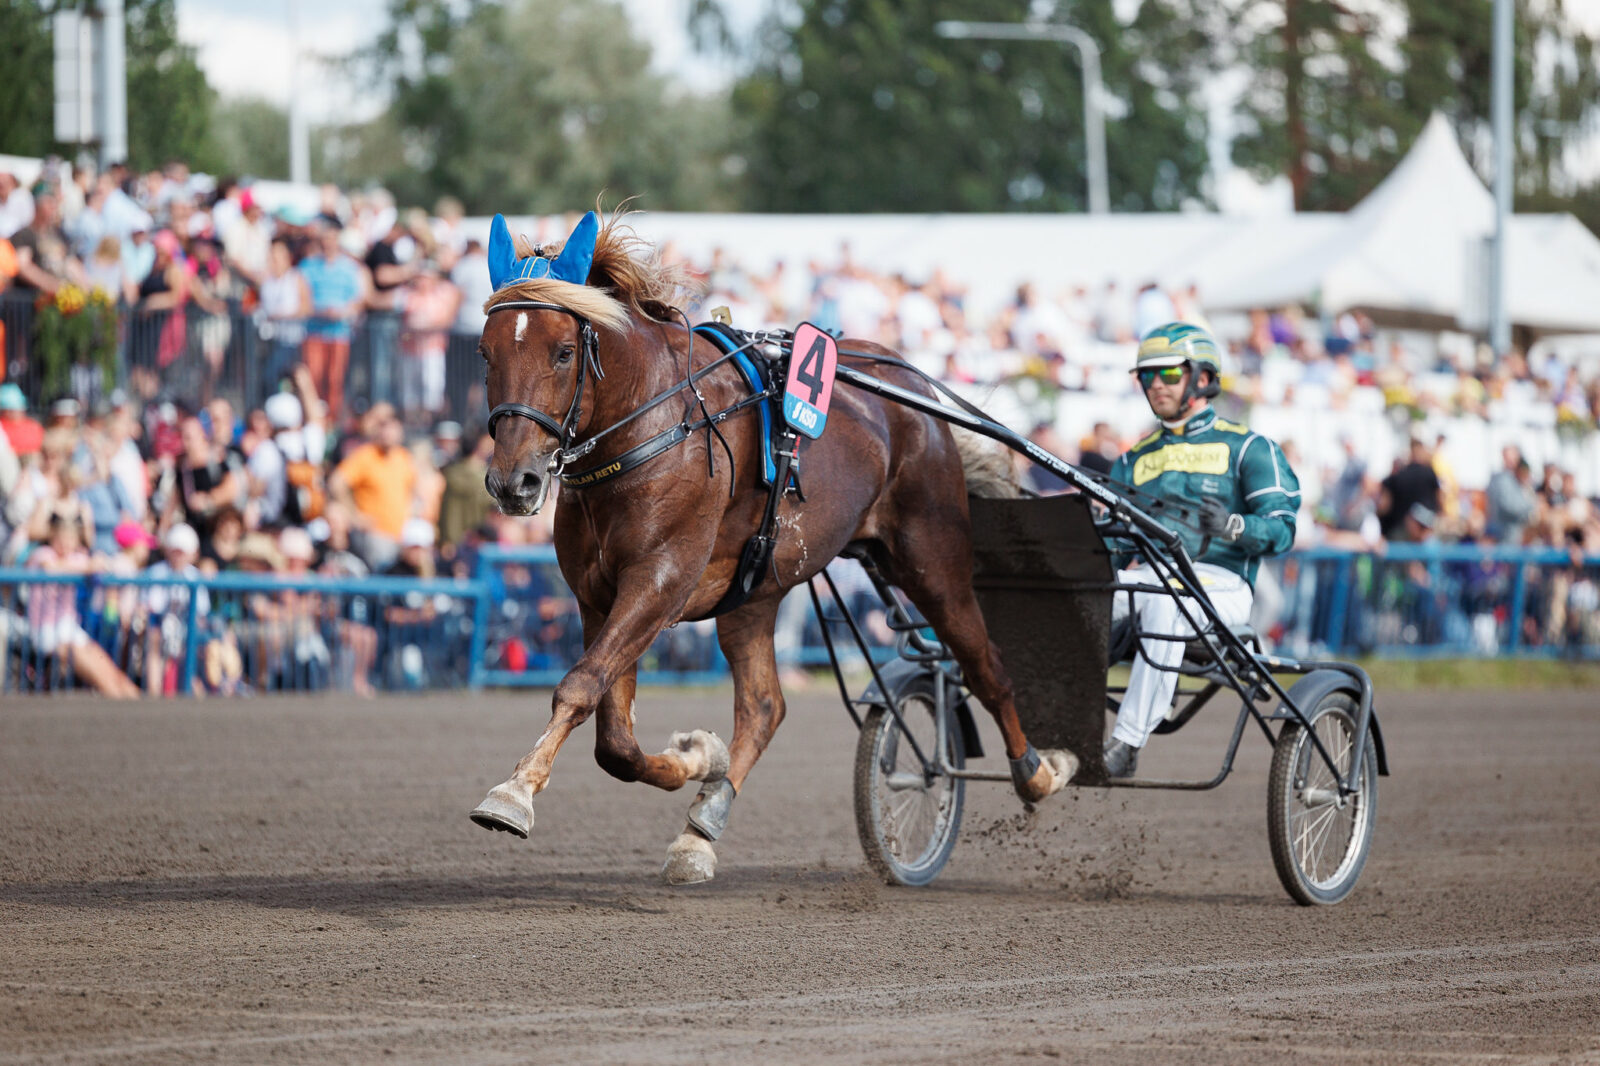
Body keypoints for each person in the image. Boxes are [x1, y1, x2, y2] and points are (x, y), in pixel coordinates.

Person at [1102, 323, 1300, 778]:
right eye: (1146, 376)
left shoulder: (1249, 447)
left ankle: (1127, 744)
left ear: (1202, 378)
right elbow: (1113, 550)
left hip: (1221, 588)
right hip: (1149, 583)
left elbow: (1282, 529)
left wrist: (1232, 525)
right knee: (1079, 601)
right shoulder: (1131, 461)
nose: (1155, 386)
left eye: (1168, 374)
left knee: (1165, 597)